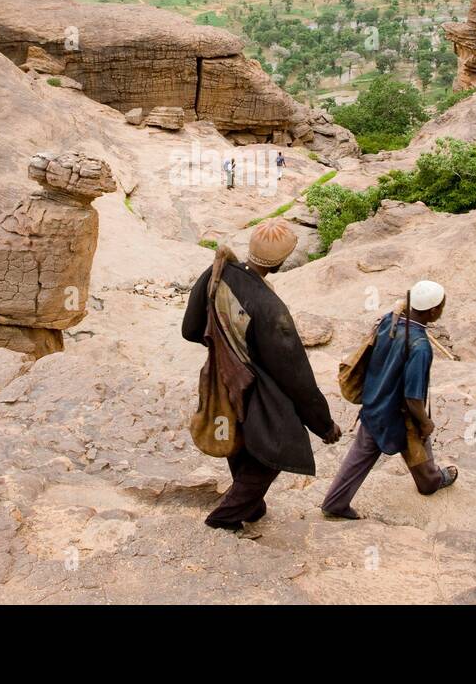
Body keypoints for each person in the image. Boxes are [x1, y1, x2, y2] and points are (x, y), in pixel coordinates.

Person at [183, 220, 341, 531]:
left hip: (220, 376)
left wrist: (225, 347)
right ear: (280, 261)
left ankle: (252, 507)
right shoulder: (270, 306)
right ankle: (224, 518)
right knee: (274, 451)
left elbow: (190, 329)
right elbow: (296, 377)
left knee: (239, 438)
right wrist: (323, 425)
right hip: (255, 385)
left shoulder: (216, 272)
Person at [321, 280, 458, 520]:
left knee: (358, 459)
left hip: (375, 406)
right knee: (419, 453)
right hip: (402, 418)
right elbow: (412, 397)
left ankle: (335, 502)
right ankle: (431, 481)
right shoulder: (420, 347)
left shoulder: (389, 321)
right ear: (433, 311)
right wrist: (425, 422)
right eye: (441, 307)